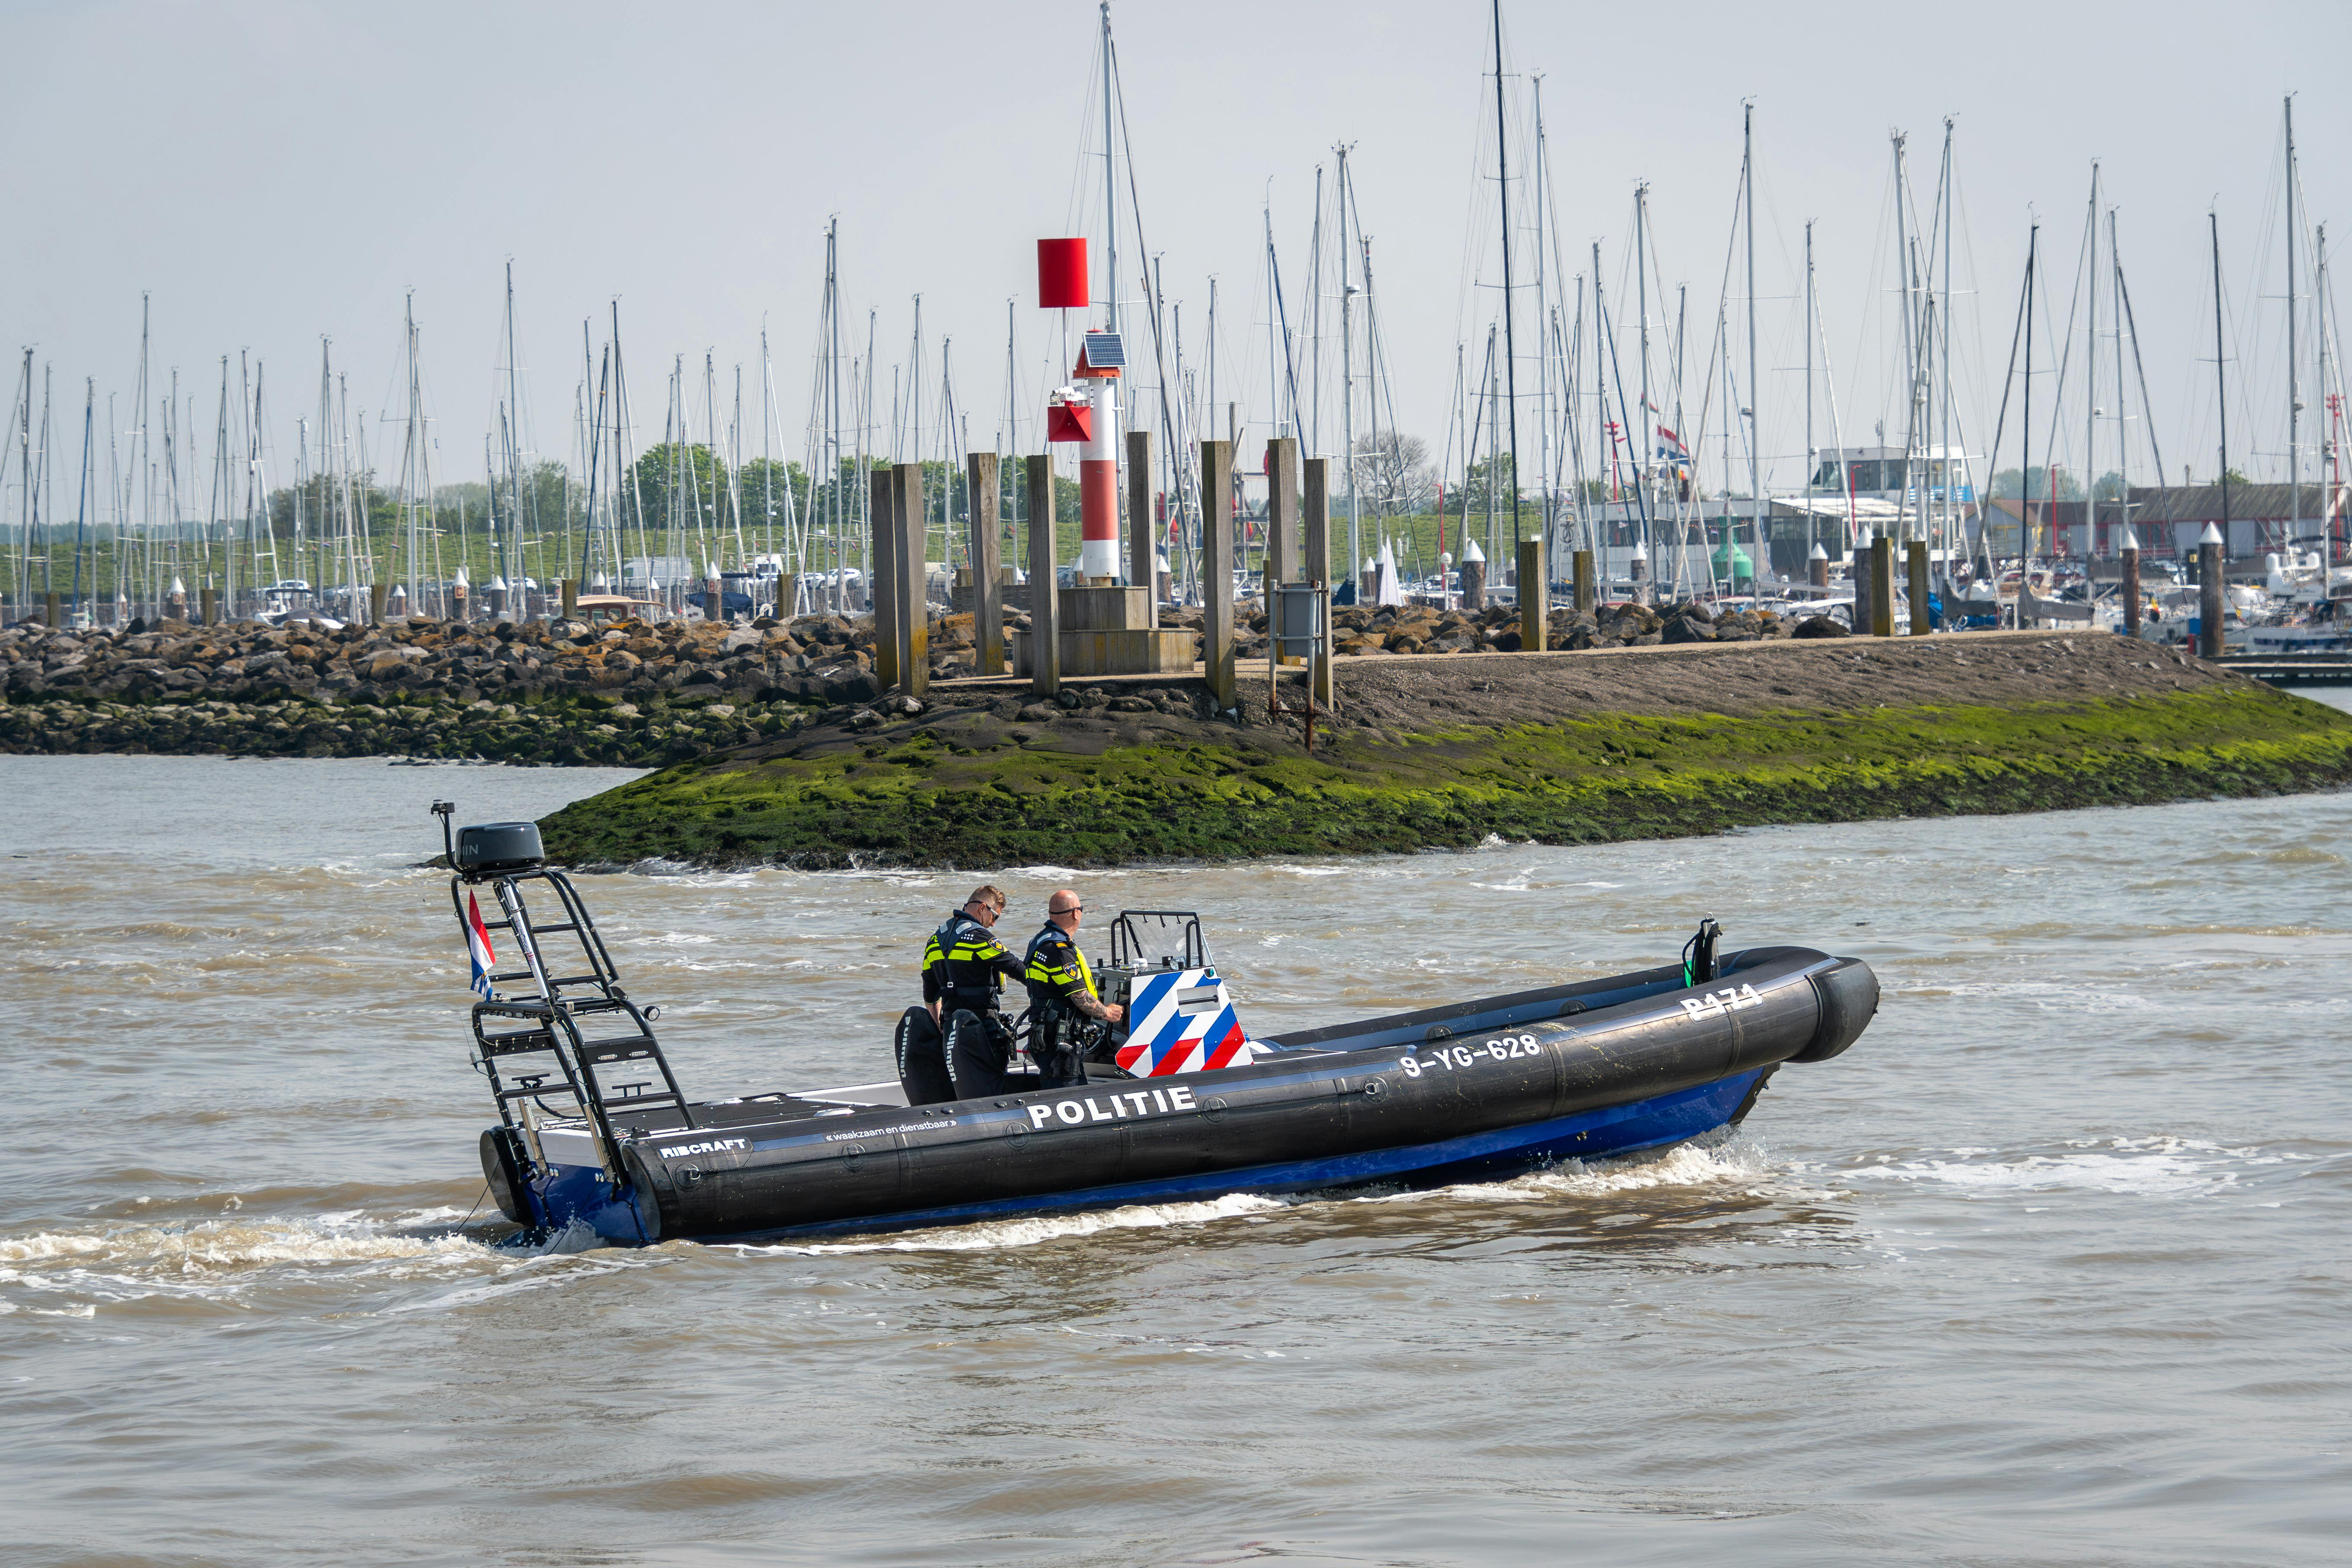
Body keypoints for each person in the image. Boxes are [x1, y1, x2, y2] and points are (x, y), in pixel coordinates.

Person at [897, 885, 1024, 1105]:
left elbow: (929, 993)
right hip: (982, 1029)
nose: (994, 923)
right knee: (991, 1088)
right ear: (983, 908)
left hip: (951, 1031)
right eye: (994, 917)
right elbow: (1020, 971)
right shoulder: (981, 938)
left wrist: (941, 1026)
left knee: (963, 1085)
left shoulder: (935, 940)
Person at [1019, 889, 1125, 1090]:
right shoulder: (1059, 950)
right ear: (1076, 913)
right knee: (1065, 1093)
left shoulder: (1040, 941)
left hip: (1049, 1035)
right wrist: (1108, 1013)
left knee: (1075, 1084)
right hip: (1061, 1041)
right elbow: (1080, 997)